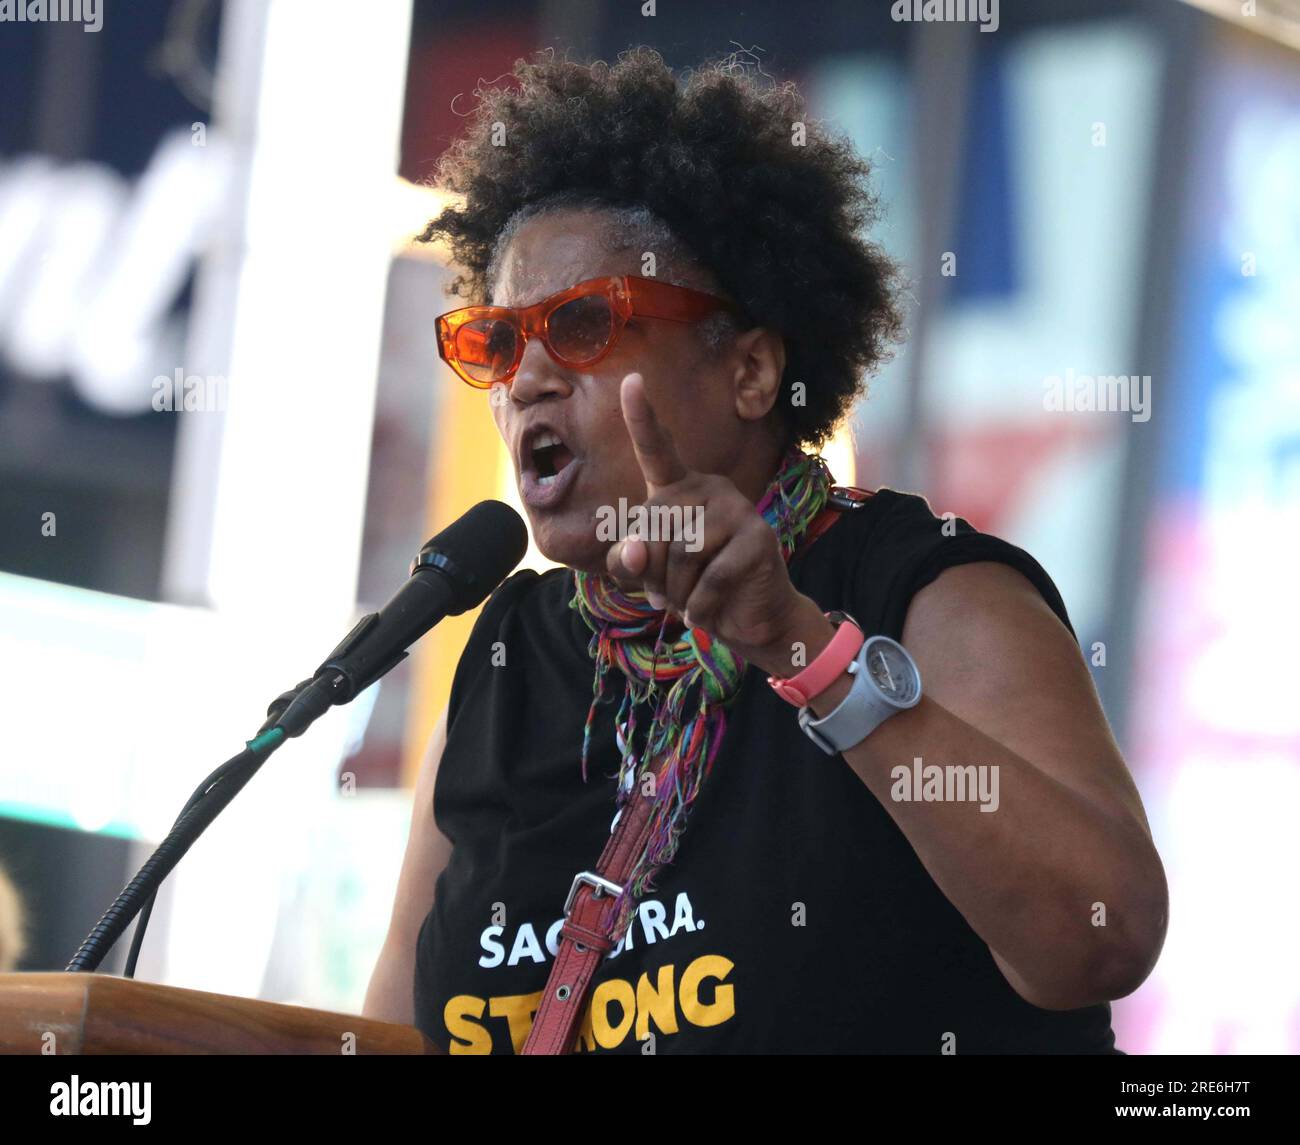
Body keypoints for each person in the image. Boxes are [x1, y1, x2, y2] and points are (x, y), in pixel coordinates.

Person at [363, 46, 1167, 1054]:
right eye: (494, 340)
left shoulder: (922, 591)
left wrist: (800, 648)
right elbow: (391, 1031)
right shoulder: (506, 663)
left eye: (578, 324)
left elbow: (1101, 937)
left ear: (749, 371)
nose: (524, 377)